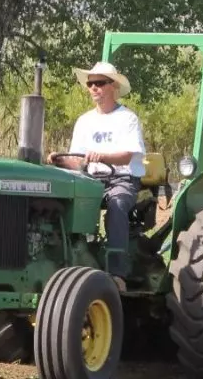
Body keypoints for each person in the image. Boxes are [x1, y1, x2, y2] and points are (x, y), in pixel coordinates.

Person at [47, 61, 146, 290]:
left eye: (99, 83)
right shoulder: (84, 121)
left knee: (117, 206)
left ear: (113, 86)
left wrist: (102, 156)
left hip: (122, 179)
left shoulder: (127, 118)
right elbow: (79, 161)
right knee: (61, 204)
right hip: (90, 180)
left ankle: (117, 274)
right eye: (90, 83)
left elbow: (127, 156)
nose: (93, 87)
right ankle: (68, 264)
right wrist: (59, 160)